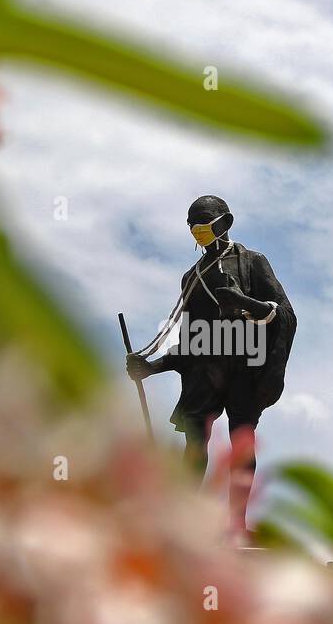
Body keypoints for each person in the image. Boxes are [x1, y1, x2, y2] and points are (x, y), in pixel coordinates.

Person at [126, 196, 296, 539]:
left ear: (224, 223)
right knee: (194, 441)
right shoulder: (192, 277)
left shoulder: (252, 262)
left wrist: (243, 304)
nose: (198, 232)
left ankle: (236, 523)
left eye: (204, 225)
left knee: (241, 441)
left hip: (245, 365)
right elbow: (189, 344)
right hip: (206, 369)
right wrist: (151, 366)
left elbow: (283, 313)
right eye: (193, 227)